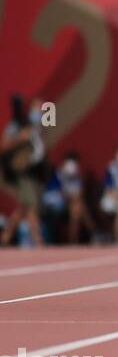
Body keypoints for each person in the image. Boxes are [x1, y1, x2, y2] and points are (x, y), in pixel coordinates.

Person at [1, 95, 46, 247]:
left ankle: (6, 237)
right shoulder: (18, 125)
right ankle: (38, 241)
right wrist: (20, 139)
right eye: (37, 108)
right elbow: (4, 145)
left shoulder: (37, 128)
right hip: (17, 172)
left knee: (24, 207)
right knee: (31, 204)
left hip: (31, 172)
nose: (40, 111)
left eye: (42, 108)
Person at [45, 153, 97, 244]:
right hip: (56, 203)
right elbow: (56, 194)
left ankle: (74, 240)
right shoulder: (58, 175)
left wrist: (73, 197)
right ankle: (93, 232)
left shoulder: (77, 177)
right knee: (79, 207)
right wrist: (70, 196)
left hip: (72, 204)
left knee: (77, 210)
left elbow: (80, 194)